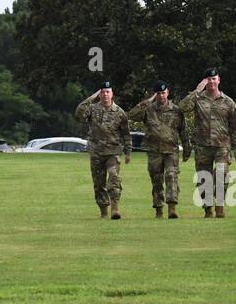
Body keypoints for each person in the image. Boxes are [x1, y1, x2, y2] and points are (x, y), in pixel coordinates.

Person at [179, 68, 236, 218]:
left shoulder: (228, 102)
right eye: (208, 79)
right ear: (204, 81)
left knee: (222, 174)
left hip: (222, 146)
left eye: (214, 79)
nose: (211, 82)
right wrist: (196, 91)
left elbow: (235, 127)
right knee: (203, 178)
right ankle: (208, 209)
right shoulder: (198, 99)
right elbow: (182, 108)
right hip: (202, 146)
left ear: (219, 80)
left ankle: (220, 205)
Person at [127, 79, 188, 218]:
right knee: (157, 180)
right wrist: (149, 100)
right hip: (154, 150)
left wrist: (187, 148)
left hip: (171, 150)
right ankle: (159, 209)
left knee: (172, 176)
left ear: (168, 93)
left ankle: (172, 207)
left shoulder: (176, 110)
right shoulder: (148, 109)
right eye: (158, 93)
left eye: (163, 93)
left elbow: (183, 131)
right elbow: (132, 115)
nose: (161, 96)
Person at [75, 80, 131, 218]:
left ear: (112, 94)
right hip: (96, 152)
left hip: (113, 152)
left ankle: (115, 209)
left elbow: (126, 134)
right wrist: (91, 98)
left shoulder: (119, 112)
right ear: (99, 94)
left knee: (114, 178)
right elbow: (78, 114)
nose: (105, 94)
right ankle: (104, 212)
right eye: (103, 92)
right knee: (99, 184)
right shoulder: (93, 109)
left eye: (108, 92)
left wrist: (128, 151)